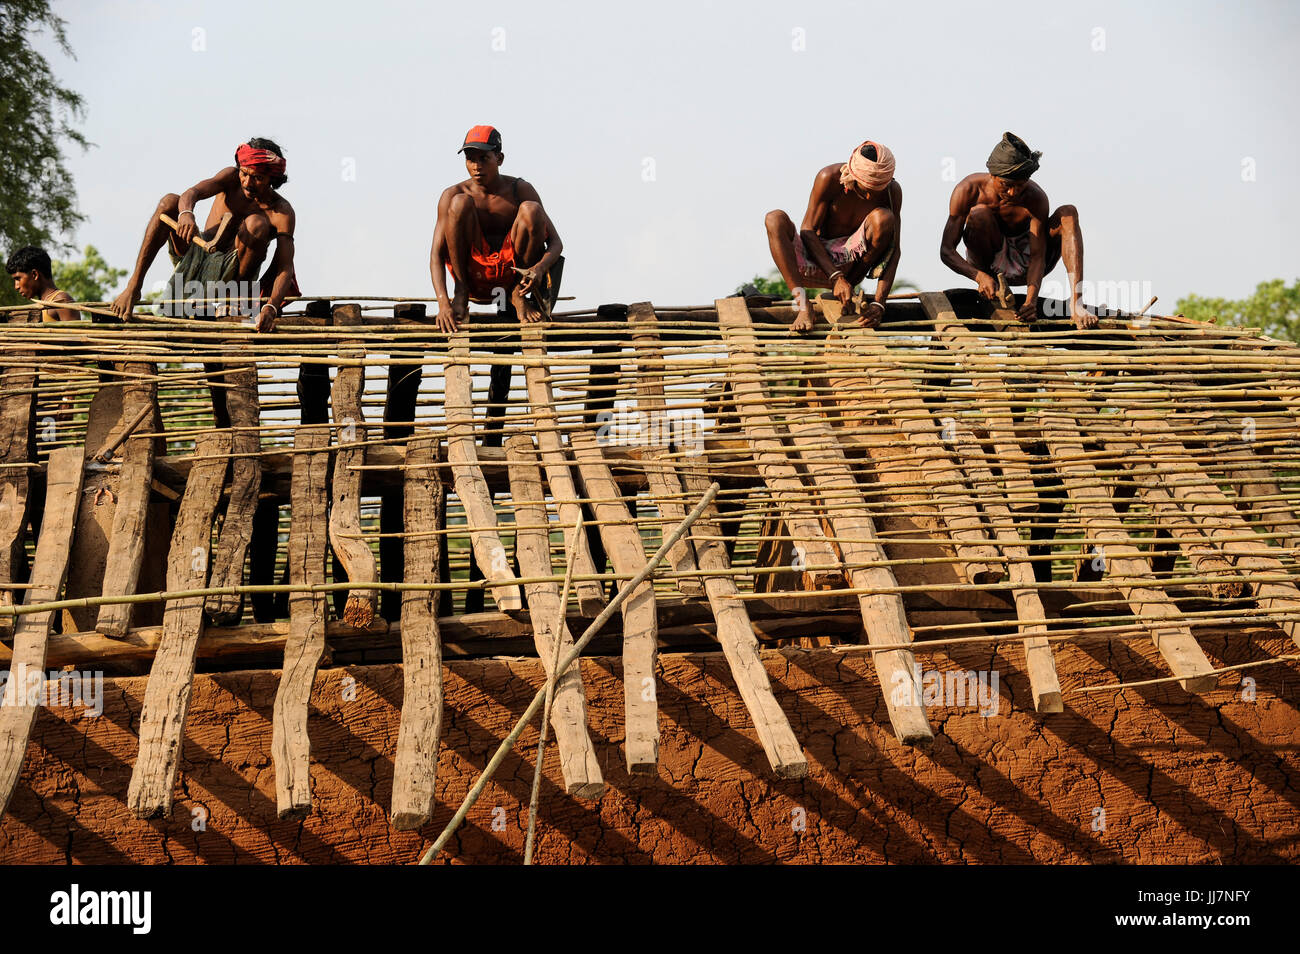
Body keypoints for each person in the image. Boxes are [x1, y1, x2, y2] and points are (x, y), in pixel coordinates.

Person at [109, 137, 298, 331]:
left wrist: (271, 307)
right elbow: (192, 193)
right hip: (196, 255)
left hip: (232, 278)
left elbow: (285, 267)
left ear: (272, 179)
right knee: (169, 203)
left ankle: (234, 301)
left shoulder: (281, 212)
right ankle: (133, 287)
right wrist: (186, 214)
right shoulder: (230, 178)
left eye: (257, 178)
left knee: (256, 224)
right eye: (244, 173)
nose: (247, 182)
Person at [940, 131, 1095, 329]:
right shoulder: (968, 190)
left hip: (1029, 264)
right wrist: (978, 276)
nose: (1013, 192)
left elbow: (1038, 256)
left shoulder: (1036, 198)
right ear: (993, 175)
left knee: (1068, 213)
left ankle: (1077, 303)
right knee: (979, 214)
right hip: (988, 267)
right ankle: (989, 281)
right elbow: (946, 251)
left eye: (1020, 186)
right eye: (1007, 185)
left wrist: (1031, 301)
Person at [428, 125, 563, 333]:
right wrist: (443, 303)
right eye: (471, 159)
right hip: (473, 281)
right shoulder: (453, 194)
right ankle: (461, 293)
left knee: (531, 209)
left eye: (484, 158)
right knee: (459, 203)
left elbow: (556, 243)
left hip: (512, 279)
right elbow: (436, 254)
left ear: (499, 159)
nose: (476, 166)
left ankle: (518, 296)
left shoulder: (519, 190)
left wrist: (539, 269)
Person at [764, 140, 902, 333]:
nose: (870, 198)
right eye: (865, 189)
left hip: (850, 268)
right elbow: (807, 231)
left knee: (885, 218)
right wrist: (835, 277)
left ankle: (847, 294)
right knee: (774, 218)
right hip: (813, 260)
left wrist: (879, 304)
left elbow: (893, 250)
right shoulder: (828, 177)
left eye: (876, 190)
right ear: (852, 176)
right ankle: (803, 305)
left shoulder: (891, 192)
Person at [6, 246, 79, 322]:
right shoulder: (40, 304)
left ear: (35, 274)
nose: (16, 286)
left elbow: (75, 333)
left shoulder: (61, 300)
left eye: (18, 279)